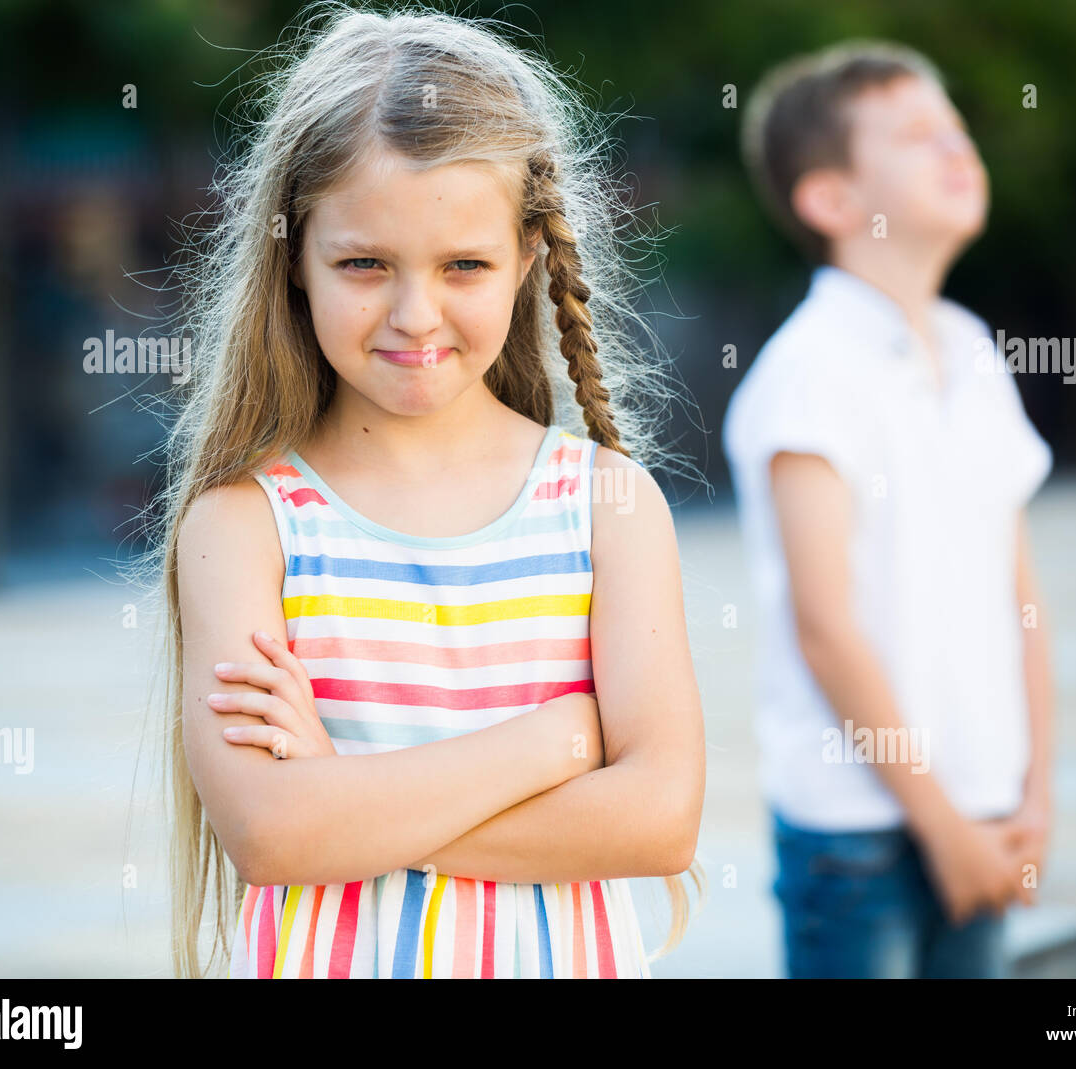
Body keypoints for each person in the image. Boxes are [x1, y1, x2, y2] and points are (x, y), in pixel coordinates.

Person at [143, 4, 705, 978]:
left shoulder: (607, 505)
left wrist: (347, 802)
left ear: (526, 258)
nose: (414, 314)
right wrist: (555, 740)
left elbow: (659, 819)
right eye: (363, 263)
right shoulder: (244, 524)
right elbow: (275, 835)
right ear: (294, 262)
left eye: (464, 266)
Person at [724, 40, 1056, 978]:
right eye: (918, 136)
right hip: (859, 837)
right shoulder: (809, 375)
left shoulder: (972, 350)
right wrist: (941, 825)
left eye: (956, 127)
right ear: (830, 199)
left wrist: (1034, 792)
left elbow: (1022, 596)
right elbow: (826, 626)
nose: (958, 148)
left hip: (986, 805)